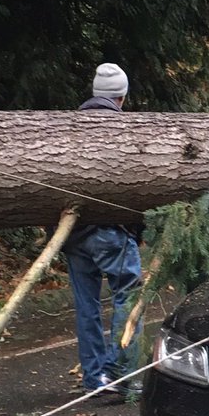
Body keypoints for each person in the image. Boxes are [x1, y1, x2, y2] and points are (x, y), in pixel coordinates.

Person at [63, 63, 143, 396]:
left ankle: (94, 378)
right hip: (111, 231)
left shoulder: (69, 128)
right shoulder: (124, 132)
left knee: (87, 306)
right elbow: (139, 185)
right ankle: (120, 373)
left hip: (73, 231)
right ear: (121, 97)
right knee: (128, 295)